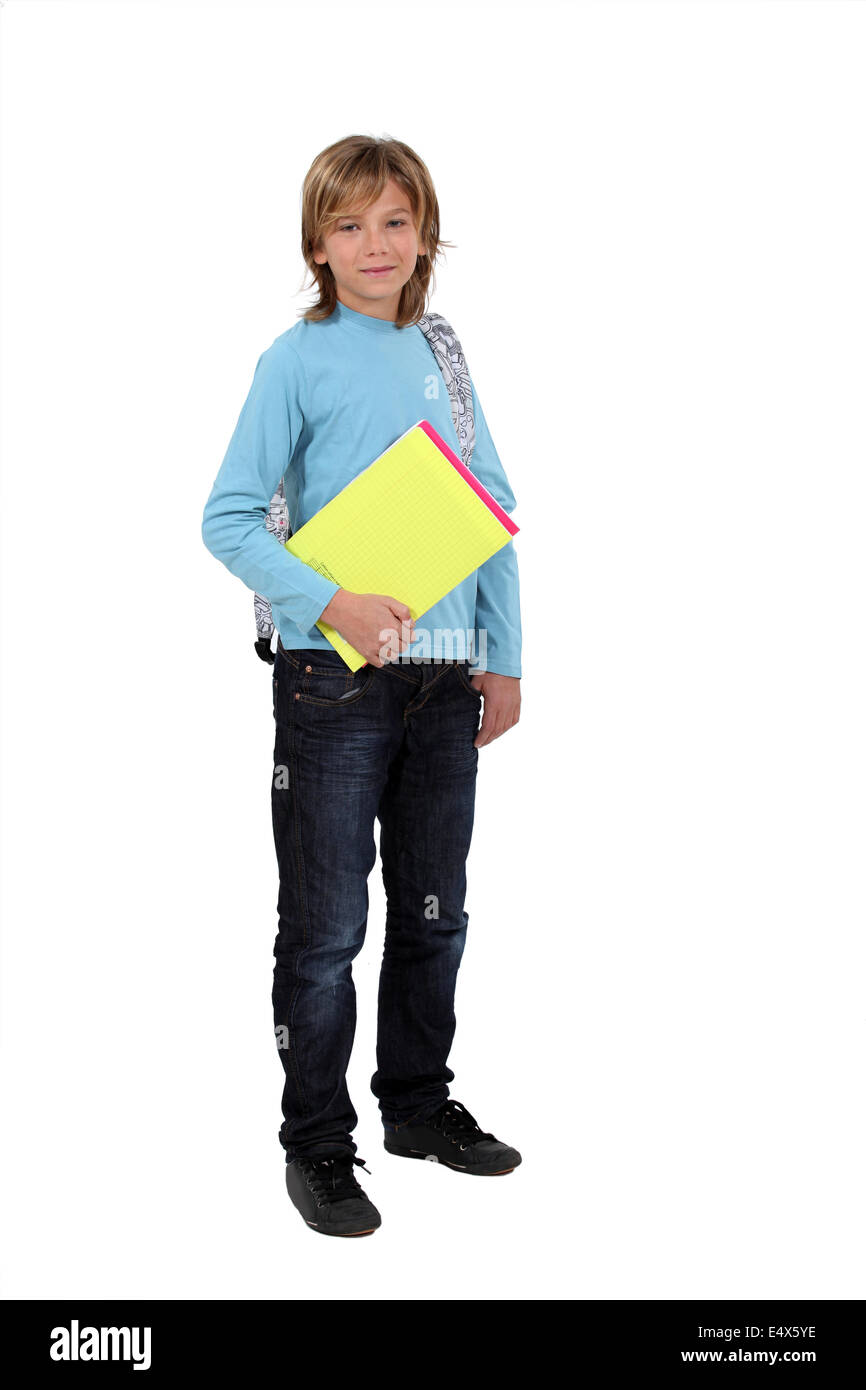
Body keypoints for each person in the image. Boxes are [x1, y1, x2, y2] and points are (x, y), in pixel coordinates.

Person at [201, 134, 523, 1237]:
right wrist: (329, 605)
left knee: (435, 913)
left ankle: (417, 1105)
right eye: (348, 225)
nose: (373, 243)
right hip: (332, 683)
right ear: (317, 245)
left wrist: (504, 655)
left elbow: (490, 517)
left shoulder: (446, 356)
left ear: (423, 233)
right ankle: (317, 1143)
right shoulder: (296, 360)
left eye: (394, 221)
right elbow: (229, 519)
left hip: (444, 683)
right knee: (327, 927)